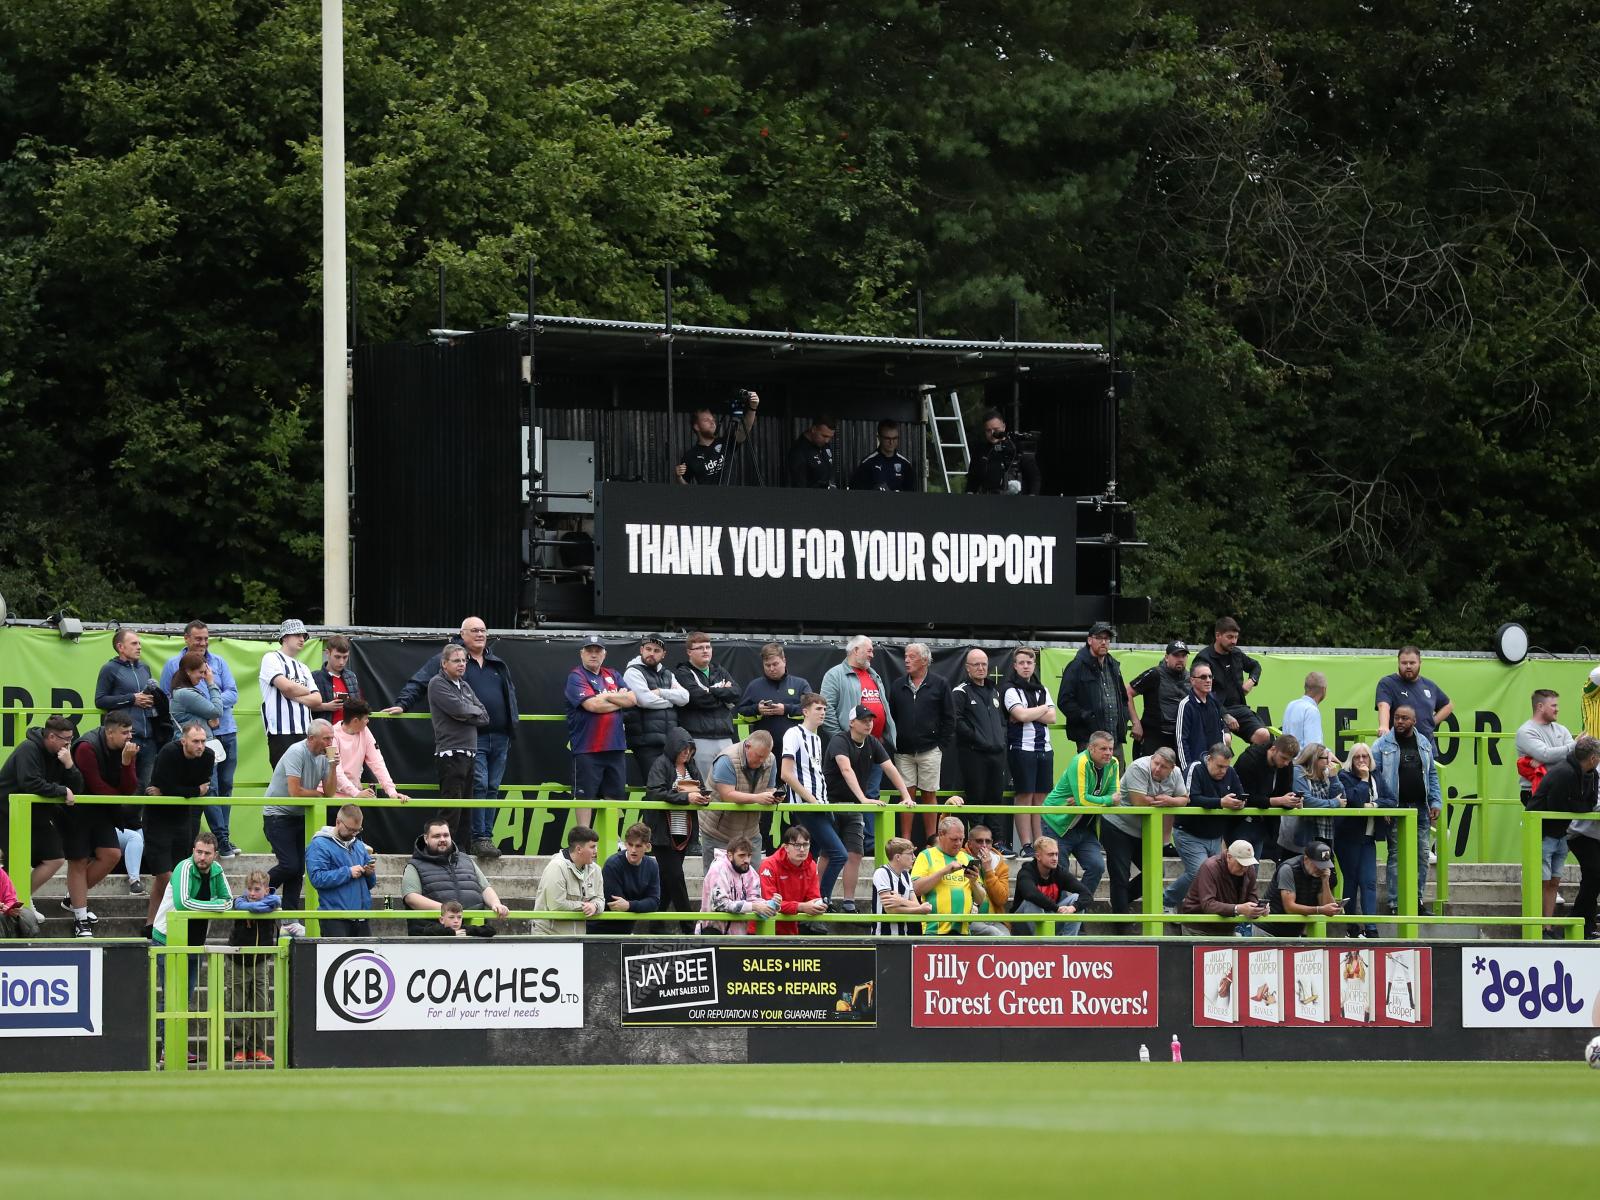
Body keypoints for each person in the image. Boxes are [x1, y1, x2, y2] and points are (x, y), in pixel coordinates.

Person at [388, 618, 521, 857]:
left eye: (483, 630)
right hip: (470, 740)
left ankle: (482, 838)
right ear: (462, 633)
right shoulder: (447, 660)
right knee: (474, 791)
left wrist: (510, 726)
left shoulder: (496, 662)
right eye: (474, 630)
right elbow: (421, 681)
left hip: (500, 736)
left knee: (491, 789)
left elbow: (506, 696)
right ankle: (471, 842)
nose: (480, 634)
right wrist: (403, 704)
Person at [823, 704, 916, 910]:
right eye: (864, 720)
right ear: (851, 722)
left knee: (855, 854)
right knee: (828, 854)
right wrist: (863, 799)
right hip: (830, 804)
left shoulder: (873, 742)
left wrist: (906, 796)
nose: (869, 724)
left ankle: (848, 903)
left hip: (854, 807)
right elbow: (846, 769)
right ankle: (820, 898)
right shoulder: (840, 740)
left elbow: (890, 767)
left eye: (870, 720)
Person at [159, 621, 240, 855]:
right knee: (208, 789)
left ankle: (221, 839)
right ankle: (220, 840)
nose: (203, 643)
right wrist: (211, 706)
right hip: (197, 742)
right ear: (186, 638)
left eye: (206, 638)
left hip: (221, 733)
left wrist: (212, 710)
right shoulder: (176, 671)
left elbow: (232, 693)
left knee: (223, 787)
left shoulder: (220, 662)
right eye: (198, 638)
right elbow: (168, 699)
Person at [262, 718, 336, 934]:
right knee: (290, 865)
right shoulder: (296, 752)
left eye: (332, 738)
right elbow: (295, 793)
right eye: (326, 739)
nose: (330, 743)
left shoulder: (325, 758)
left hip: (300, 816)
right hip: (277, 815)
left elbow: (330, 792)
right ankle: (256, 892)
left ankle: (289, 920)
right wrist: (318, 795)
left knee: (297, 870)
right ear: (311, 738)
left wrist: (333, 767)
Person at [0, 715, 77, 922]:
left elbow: (77, 788)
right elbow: (30, 782)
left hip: (38, 815)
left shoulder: (62, 755)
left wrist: (69, 766)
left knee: (55, 859)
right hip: (9, 813)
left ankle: (21, 898)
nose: (68, 744)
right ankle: (13, 903)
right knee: (15, 863)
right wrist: (61, 790)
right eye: (65, 739)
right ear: (51, 737)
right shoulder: (28, 749)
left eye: (71, 739)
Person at [144, 721, 216, 937]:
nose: (200, 746)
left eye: (203, 741)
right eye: (195, 741)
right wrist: (192, 790)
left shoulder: (208, 756)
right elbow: (164, 784)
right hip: (157, 818)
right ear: (183, 741)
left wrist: (176, 790)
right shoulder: (168, 752)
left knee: (174, 874)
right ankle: (165, 925)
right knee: (167, 877)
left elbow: (202, 788)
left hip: (183, 818)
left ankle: (151, 925)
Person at [66, 710, 134, 934]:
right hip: (77, 809)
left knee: (112, 854)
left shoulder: (127, 749)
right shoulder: (86, 747)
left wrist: (127, 763)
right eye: (125, 732)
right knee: (78, 861)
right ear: (110, 732)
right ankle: (80, 920)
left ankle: (74, 897)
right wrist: (120, 796)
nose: (129, 737)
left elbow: (130, 788)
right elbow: (96, 787)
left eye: (130, 732)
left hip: (102, 809)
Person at [1371, 705, 1442, 914]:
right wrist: (1382, 806)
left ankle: (1416, 902)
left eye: (1404, 718)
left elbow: (1431, 774)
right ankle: (1396, 904)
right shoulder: (1381, 744)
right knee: (1396, 855)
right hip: (1395, 809)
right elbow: (1374, 778)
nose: (1399, 722)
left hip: (1420, 809)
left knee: (1422, 855)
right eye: (1396, 718)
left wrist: (1436, 801)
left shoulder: (1424, 742)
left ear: (1414, 721)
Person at [564, 635, 636, 835]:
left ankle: (610, 839)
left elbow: (632, 699)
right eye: (589, 650)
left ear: (604, 654)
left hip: (615, 746)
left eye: (598, 651)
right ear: (582, 653)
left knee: (614, 796)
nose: (593, 654)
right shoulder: (576, 676)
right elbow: (593, 705)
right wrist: (617, 698)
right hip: (587, 748)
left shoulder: (612, 674)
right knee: (585, 797)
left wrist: (606, 696)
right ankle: (583, 841)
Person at [1106, 748, 1188, 920]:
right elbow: (1139, 802)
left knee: (1156, 872)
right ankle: (1121, 922)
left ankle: (1119, 902)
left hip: (1143, 831)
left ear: (1172, 768)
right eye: (1156, 763)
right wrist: (1167, 801)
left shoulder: (1176, 773)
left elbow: (1184, 799)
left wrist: (1170, 800)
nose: (1157, 769)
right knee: (1121, 874)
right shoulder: (1139, 767)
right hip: (1117, 826)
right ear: (1152, 758)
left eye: (1163, 767)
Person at [1163, 743, 1246, 912]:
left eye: (1226, 767)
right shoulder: (1195, 768)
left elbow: (1240, 793)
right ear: (1209, 759)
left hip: (1215, 836)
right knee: (1199, 872)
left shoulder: (1230, 772)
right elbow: (1190, 798)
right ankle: (1167, 901)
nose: (1223, 771)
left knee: (1215, 874)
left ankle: (1200, 907)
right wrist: (1220, 802)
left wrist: (1240, 802)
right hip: (1188, 833)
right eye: (1219, 766)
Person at [781, 693, 848, 900]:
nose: (823, 713)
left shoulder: (817, 739)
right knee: (839, 854)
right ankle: (822, 899)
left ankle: (807, 900)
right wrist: (811, 800)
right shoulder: (793, 733)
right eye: (818, 709)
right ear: (805, 711)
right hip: (807, 806)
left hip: (820, 805)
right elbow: (786, 774)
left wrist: (821, 803)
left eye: (825, 709)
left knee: (809, 858)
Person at [888, 641, 954, 844]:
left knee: (929, 794)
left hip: (930, 749)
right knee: (906, 795)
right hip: (903, 751)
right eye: (906, 656)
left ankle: (931, 843)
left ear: (925, 660)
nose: (906, 660)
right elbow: (892, 716)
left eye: (912, 657)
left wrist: (939, 745)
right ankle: (905, 843)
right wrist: (897, 741)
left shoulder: (940, 684)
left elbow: (949, 717)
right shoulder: (897, 685)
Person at [643, 726, 708, 929]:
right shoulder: (661, 764)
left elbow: (701, 788)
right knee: (676, 878)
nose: (687, 753)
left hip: (683, 833)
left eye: (690, 750)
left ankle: (655, 925)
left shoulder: (692, 766)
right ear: (673, 747)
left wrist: (703, 797)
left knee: (668, 880)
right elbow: (655, 792)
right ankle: (689, 927)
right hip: (662, 833)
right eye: (683, 749)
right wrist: (686, 797)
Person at [1530, 736, 1600, 922]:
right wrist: (1578, 804)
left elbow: (1589, 803)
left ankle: (1548, 927)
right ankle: (1538, 926)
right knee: (1543, 882)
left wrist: (1575, 803)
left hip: (1562, 834)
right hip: (1546, 833)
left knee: (1553, 882)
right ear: (1593, 758)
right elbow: (1559, 805)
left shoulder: (1591, 774)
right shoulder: (1564, 772)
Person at [1041, 730, 1116, 901]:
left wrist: (1090, 798)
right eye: (1103, 749)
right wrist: (1093, 799)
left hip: (1085, 827)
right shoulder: (1080, 761)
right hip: (1057, 824)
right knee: (1059, 872)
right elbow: (1085, 800)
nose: (1108, 753)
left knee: (1096, 866)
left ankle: (1077, 907)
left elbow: (1115, 798)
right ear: (1091, 748)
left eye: (1111, 749)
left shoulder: (1113, 763)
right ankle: (1061, 913)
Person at [168, 649, 229, 854]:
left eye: (206, 673)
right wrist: (212, 684)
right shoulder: (185, 693)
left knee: (202, 800)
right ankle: (222, 840)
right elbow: (216, 710)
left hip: (198, 749)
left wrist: (208, 718)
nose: (204, 676)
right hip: (196, 752)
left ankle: (215, 840)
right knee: (209, 794)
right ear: (188, 671)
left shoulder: (184, 692)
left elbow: (212, 717)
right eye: (201, 672)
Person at [402, 816, 512, 929]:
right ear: (426, 839)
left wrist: (496, 903)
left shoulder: (466, 859)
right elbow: (411, 897)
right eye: (437, 836)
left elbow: (485, 888)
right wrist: (447, 910)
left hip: (475, 929)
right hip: (436, 931)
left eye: (446, 835)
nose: (442, 839)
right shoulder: (414, 865)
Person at [430, 643, 490, 848]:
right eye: (456, 660)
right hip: (451, 755)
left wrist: (467, 712)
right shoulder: (437, 683)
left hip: (470, 754)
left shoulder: (464, 686)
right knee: (451, 810)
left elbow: (484, 716)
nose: (462, 664)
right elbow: (458, 709)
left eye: (464, 660)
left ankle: (460, 852)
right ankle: (442, 853)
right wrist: (469, 711)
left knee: (466, 810)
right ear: (444, 663)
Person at [952, 647, 1010, 853]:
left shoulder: (994, 691)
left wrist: (1000, 739)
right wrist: (977, 738)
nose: (981, 668)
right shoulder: (960, 691)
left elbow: (1002, 721)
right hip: (973, 754)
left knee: (995, 799)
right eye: (976, 664)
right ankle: (976, 845)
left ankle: (997, 843)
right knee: (976, 799)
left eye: (984, 664)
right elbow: (957, 721)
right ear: (967, 668)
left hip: (997, 754)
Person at [1004, 646, 1056, 858]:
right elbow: (1021, 715)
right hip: (1021, 748)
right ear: (1015, 666)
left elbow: (1052, 717)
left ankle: (1040, 843)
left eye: (1029, 662)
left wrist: (1031, 713)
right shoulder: (1009, 689)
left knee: (1041, 797)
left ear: (1034, 665)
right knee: (1025, 795)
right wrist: (1042, 709)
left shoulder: (1042, 689)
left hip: (1045, 748)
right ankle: (1026, 844)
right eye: (1022, 663)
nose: (1026, 666)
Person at [258, 619, 332, 767]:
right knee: (286, 777)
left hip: (305, 731)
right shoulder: (271, 658)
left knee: (307, 776)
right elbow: (286, 687)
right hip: (281, 732)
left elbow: (317, 699)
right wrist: (305, 690)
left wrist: (296, 695)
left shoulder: (303, 667)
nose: (302, 639)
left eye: (303, 636)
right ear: (285, 637)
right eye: (297, 635)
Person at [702, 730, 781, 868]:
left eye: (765, 756)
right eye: (759, 756)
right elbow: (727, 795)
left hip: (751, 834)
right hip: (719, 834)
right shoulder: (726, 760)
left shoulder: (771, 759)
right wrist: (757, 798)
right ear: (747, 746)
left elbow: (769, 788)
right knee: (717, 879)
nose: (762, 760)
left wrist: (773, 796)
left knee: (753, 879)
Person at [1334, 743, 1389, 937]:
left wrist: (1373, 805)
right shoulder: (1344, 776)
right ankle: (1351, 927)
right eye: (1357, 757)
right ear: (1351, 759)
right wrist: (1364, 780)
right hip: (1347, 837)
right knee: (1351, 880)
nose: (1361, 760)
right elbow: (1354, 800)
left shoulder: (1377, 775)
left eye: (1365, 756)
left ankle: (1371, 929)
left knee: (1369, 882)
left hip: (1368, 838)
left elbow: (1391, 800)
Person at [94, 628, 160, 787]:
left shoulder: (145, 668)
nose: (139, 647)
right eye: (134, 643)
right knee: (126, 785)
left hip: (149, 738)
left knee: (146, 787)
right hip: (127, 738)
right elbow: (100, 700)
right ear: (120, 647)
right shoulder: (109, 669)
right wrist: (132, 699)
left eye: (139, 643)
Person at [228, 868, 281, 1064]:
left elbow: (275, 902)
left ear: (266, 890)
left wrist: (256, 908)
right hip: (238, 960)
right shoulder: (240, 903)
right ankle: (239, 1048)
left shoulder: (273, 902)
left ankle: (257, 1048)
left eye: (257, 889)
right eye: (249, 889)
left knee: (261, 1006)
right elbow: (239, 904)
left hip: (260, 961)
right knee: (237, 1005)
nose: (252, 893)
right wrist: (256, 908)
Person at [911, 816, 997, 935]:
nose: (958, 843)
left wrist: (973, 882)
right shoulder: (926, 855)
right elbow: (916, 888)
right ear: (941, 834)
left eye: (961, 839)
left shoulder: (968, 858)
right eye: (954, 839)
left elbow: (980, 899)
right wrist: (944, 871)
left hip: (963, 930)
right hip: (934, 930)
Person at [622, 633, 689, 784]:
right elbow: (645, 700)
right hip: (646, 743)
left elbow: (685, 697)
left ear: (663, 654)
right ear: (641, 650)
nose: (651, 653)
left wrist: (660, 692)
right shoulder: (633, 671)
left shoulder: (667, 674)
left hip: (669, 742)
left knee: (672, 786)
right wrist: (671, 701)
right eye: (648, 649)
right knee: (656, 786)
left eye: (657, 650)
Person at [1192, 617, 1270, 747]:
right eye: (1229, 637)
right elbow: (1202, 691)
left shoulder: (1236, 653)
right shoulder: (1203, 659)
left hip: (1239, 708)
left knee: (1263, 735)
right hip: (1214, 710)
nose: (1234, 641)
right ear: (1218, 635)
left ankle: (1246, 761)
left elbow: (1256, 666)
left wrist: (1252, 681)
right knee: (1226, 739)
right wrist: (1225, 715)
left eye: (1236, 637)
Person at [674, 631, 737, 785]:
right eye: (700, 648)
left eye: (708, 647)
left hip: (725, 738)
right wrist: (722, 694)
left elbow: (736, 693)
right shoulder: (682, 673)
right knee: (705, 788)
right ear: (689, 652)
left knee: (729, 786)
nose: (705, 651)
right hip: (699, 739)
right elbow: (698, 699)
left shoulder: (719, 670)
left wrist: (711, 691)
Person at [305, 803, 377, 938]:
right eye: (350, 829)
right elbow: (317, 878)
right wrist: (348, 872)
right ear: (338, 822)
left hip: (362, 917)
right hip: (335, 918)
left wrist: (369, 873)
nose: (354, 834)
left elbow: (371, 884)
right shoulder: (318, 845)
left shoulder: (359, 846)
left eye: (358, 830)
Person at [1058, 622, 1129, 758]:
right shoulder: (1076, 666)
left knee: (1116, 773)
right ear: (1089, 640)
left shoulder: (1113, 666)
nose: (1104, 642)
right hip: (1089, 740)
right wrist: (1087, 717)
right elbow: (1064, 701)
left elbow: (1124, 698)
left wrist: (1124, 718)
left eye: (1107, 639)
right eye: (1099, 638)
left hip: (1115, 741)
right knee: (1090, 772)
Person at [151, 830, 232, 947]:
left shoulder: (217, 869)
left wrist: (221, 904)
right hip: (167, 939)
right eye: (199, 852)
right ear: (193, 851)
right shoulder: (184, 867)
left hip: (196, 942)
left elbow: (229, 901)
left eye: (207, 853)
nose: (202, 857)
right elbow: (182, 904)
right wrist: (218, 905)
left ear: (215, 855)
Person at [1231, 733, 1302, 860]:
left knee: (1253, 868)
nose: (1286, 763)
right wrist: (1280, 800)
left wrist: (1292, 802)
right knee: (1239, 866)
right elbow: (1245, 798)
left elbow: (1284, 794)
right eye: (1284, 758)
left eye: (1290, 760)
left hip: (1266, 825)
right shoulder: (1248, 760)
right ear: (1273, 749)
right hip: (1240, 821)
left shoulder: (1286, 765)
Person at [1179, 839, 1267, 936]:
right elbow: (1208, 904)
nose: (1244, 868)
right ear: (1229, 857)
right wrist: (1238, 909)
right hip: (1198, 928)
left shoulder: (1249, 869)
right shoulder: (1210, 867)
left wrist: (1258, 910)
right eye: (1241, 864)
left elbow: (1252, 898)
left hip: (1227, 927)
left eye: (1248, 864)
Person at [1560, 736, 1600, 939]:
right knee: (1594, 873)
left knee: (1594, 876)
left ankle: (1585, 922)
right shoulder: (1594, 768)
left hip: (1595, 833)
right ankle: (1580, 920)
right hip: (1580, 832)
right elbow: (1594, 802)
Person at [331, 699, 409, 802]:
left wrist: (392, 792)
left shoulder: (365, 731)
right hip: (329, 796)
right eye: (366, 718)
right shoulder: (332, 735)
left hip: (352, 796)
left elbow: (377, 762)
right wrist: (356, 793)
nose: (368, 721)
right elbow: (336, 771)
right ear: (355, 721)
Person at [737, 642, 812, 746]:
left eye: (775, 664)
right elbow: (741, 711)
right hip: (762, 748)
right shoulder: (754, 686)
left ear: (784, 661)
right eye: (767, 665)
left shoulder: (800, 684)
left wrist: (786, 709)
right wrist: (757, 709)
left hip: (796, 746)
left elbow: (811, 708)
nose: (771, 669)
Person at [698, 836, 778, 935]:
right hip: (713, 933)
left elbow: (754, 900)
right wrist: (754, 906)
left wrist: (770, 905)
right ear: (730, 855)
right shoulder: (718, 869)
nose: (746, 860)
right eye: (742, 855)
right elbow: (720, 904)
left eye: (749, 856)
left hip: (739, 936)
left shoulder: (750, 872)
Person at [532, 826, 603, 934]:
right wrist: (585, 906)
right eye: (592, 847)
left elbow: (600, 899)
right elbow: (556, 905)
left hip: (576, 937)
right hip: (548, 935)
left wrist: (595, 906)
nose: (596, 851)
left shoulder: (596, 869)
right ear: (579, 849)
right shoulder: (556, 867)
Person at [1013, 835, 1090, 935]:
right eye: (1050, 855)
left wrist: (1073, 907)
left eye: (1056, 854)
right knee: (1031, 902)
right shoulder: (1026, 872)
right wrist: (1056, 908)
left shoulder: (1059, 872)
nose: (1055, 858)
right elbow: (1030, 894)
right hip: (1022, 924)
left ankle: (1068, 941)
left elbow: (1086, 894)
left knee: (1076, 898)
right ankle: (1043, 941)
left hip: (1050, 919)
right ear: (1038, 856)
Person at [675, 394, 759, 485]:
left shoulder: (726, 442)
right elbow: (685, 489)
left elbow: (743, 429)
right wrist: (679, 477)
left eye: (713, 420)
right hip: (707, 495)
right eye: (706, 420)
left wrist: (752, 408)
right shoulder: (690, 456)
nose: (712, 423)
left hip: (732, 494)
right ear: (696, 426)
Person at [1263, 840, 1341, 936]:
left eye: (1324, 865)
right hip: (1268, 930)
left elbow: (1328, 908)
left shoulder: (1321, 874)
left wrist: (1325, 882)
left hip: (1293, 932)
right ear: (1306, 859)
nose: (1321, 869)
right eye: (1318, 865)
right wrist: (1319, 910)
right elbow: (1290, 908)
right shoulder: (1288, 869)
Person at [1375, 646, 1454, 741]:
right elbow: (1383, 706)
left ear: (1420, 663)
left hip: (1427, 746)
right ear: (1398, 663)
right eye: (1404, 663)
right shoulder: (1387, 683)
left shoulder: (1429, 685)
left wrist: (1431, 722)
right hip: (1398, 746)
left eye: (1412, 663)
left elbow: (1448, 705)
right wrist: (1383, 726)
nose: (1408, 666)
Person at [759, 826, 828, 934]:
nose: (802, 849)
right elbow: (768, 902)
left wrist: (818, 905)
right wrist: (801, 907)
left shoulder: (812, 866)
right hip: (763, 928)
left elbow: (813, 898)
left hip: (791, 929)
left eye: (806, 845)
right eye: (797, 845)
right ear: (786, 847)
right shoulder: (769, 865)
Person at [1127, 641, 1190, 759]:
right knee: (1147, 770)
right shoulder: (1154, 674)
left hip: (1178, 739)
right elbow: (1127, 692)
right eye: (1176, 655)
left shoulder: (1191, 678)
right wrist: (1136, 723)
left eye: (1183, 656)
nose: (1180, 659)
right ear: (1166, 657)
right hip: (1152, 737)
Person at [601, 822, 662, 935]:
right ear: (625, 844)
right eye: (630, 845)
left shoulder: (652, 865)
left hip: (626, 931)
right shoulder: (612, 864)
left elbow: (654, 902)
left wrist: (629, 905)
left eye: (638, 846)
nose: (633, 850)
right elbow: (615, 905)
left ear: (647, 847)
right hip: (600, 930)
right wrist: (639, 905)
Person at [1287, 743, 1346, 854]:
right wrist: (1333, 803)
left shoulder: (1327, 774)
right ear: (1315, 759)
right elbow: (1306, 801)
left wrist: (1334, 778)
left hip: (1326, 832)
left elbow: (1342, 799)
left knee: (1325, 864)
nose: (1329, 761)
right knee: (1304, 863)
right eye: (1326, 758)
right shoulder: (1298, 771)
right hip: (1305, 834)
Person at [966, 408, 1040, 495]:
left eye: (996, 429)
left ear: (1004, 427)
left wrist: (1032, 497)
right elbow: (972, 478)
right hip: (988, 499)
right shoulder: (980, 450)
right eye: (988, 430)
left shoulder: (1016, 447)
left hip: (1016, 499)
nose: (992, 433)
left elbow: (1034, 477)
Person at [1173, 661, 1227, 771]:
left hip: (1215, 767)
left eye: (1210, 676)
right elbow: (1181, 741)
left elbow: (1221, 732)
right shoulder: (1186, 705)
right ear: (1192, 680)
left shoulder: (1214, 702)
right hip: (1196, 769)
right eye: (1203, 677)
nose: (1208, 680)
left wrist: (1222, 762)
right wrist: (1188, 771)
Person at [873, 836, 931, 935]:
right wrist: (919, 910)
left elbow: (916, 904)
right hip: (883, 937)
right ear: (898, 857)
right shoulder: (881, 873)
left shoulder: (906, 875)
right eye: (910, 853)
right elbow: (890, 910)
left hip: (903, 935)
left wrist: (901, 901)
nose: (914, 857)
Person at [964, 824, 1012, 931]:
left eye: (988, 841)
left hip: (993, 919)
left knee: (1006, 938)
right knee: (994, 934)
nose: (984, 846)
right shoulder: (961, 856)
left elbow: (1001, 899)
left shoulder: (999, 863)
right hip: (968, 918)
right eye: (979, 841)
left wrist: (989, 870)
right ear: (970, 843)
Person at [849, 418, 916, 491]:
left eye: (895, 438)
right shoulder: (867, 463)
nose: (891, 442)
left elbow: (912, 494)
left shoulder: (905, 464)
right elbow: (856, 493)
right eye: (887, 438)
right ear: (879, 438)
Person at [312, 634, 363, 725]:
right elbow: (303, 707)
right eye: (337, 657)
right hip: (325, 730)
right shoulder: (314, 677)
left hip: (349, 729)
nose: (341, 662)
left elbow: (358, 705)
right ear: (327, 653)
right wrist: (326, 706)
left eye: (345, 657)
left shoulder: (351, 676)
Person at [1281, 672, 1330, 757]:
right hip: (1303, 764)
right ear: (1323, 690)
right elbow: (1314, 748)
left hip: (1288, 762)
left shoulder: (1291, 705)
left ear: (1305, 687)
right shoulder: (1311, 710)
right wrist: (1328, 753)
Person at [784, 416, 838, 488]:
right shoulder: (799, 451)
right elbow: (799, 487)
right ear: (813, 429)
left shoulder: (824, 445)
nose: (827, 441)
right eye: (824, 436)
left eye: (830, 437)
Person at [0, 849, 42, 938]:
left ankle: (27, 943)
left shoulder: (1, 874)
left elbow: (11, 898)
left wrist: (10, 908)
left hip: (3, 913)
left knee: (27, 914)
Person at [416, 899, 496, 938]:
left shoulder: (464, 929)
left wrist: (468, 932)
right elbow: (428, 931)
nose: (456, 921)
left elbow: (491, 930)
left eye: (459, 917)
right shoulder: (435, 928)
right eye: (451, 917)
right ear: (442, 920)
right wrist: (453, 933)